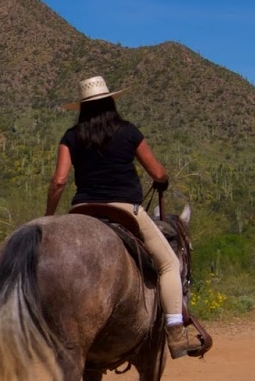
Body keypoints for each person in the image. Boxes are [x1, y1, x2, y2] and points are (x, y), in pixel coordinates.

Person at [44, 75, 206, 359]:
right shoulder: (129, 132)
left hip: (82, 210)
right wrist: (163, 179)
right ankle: (175, 333)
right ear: (110, 102)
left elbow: (59, 181)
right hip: (125, 209)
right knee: (168, 264)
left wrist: (48, 217)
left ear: (82, 108)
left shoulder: (71, 137)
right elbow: (157, 173)